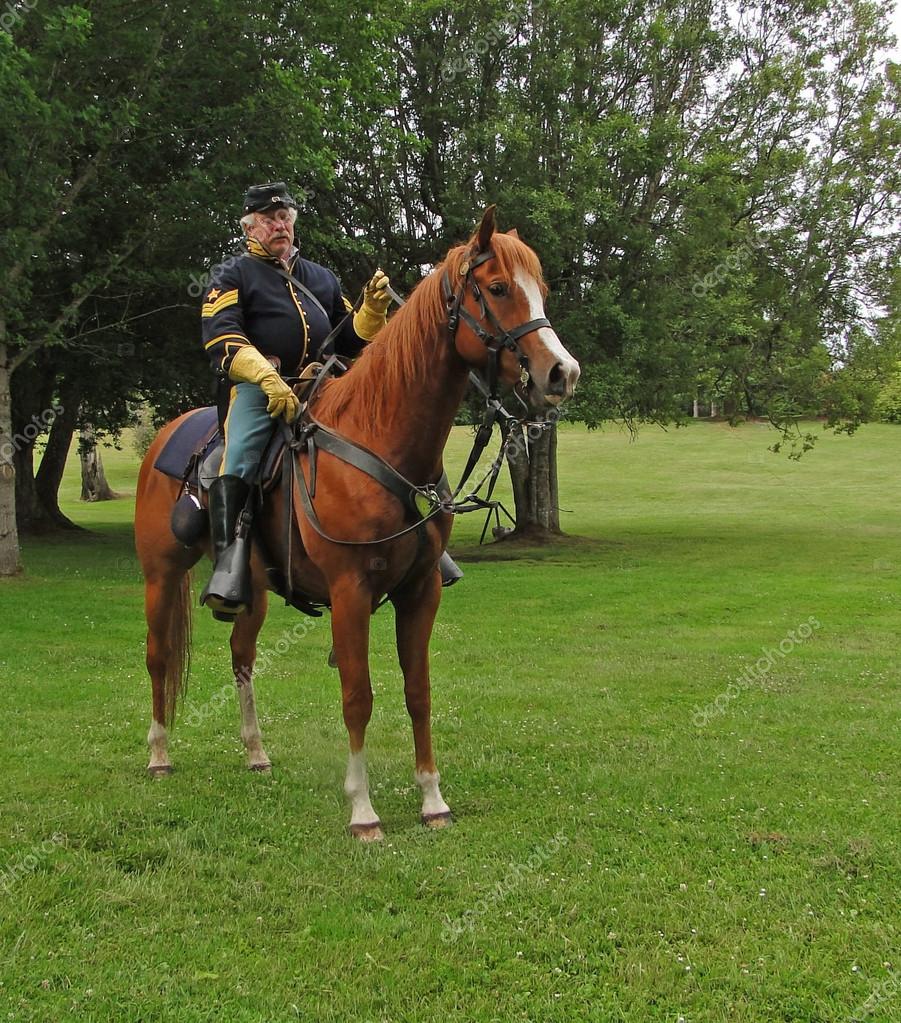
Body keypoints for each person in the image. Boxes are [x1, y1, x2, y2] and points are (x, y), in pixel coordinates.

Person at [199, 182, 391, 619]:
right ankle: (231, 566)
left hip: (324, 384)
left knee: (382, 440)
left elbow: (348, 339)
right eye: (269, 219)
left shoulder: (321, 277)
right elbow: (221, 336)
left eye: (284, 217)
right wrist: (266, 378)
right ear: (249, 226)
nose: (279, 225)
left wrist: (372, 313)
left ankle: (420, 545)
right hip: (258, 389)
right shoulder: (232, 274)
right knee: (242, 454)